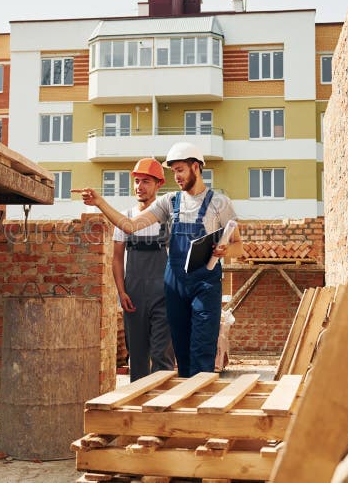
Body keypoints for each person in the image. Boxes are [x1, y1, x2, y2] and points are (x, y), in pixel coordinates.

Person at [73, 142, 243, 377]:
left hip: (205, 284)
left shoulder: (220, 203)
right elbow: (129, 226)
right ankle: (183, 404)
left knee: (202, 347)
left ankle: (199, 404)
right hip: (175, 286)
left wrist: (226, 251)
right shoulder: (169, 202)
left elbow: (239, 246)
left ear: (196, 167)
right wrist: (100, 202)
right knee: (181, 352)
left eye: (180, 170)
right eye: (173, 171)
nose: (177, 177)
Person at [112, 158, 175, 381]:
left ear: (159, 185)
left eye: (146, 181)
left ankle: (161, 406)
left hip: (163, 293)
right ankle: (137, 408)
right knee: (137, 357)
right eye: (137, 181)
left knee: (162, 354)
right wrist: (121, 292)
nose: (140, 186)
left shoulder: (167, 219)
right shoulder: (124, 218)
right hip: (134, 294)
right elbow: (117, 258)